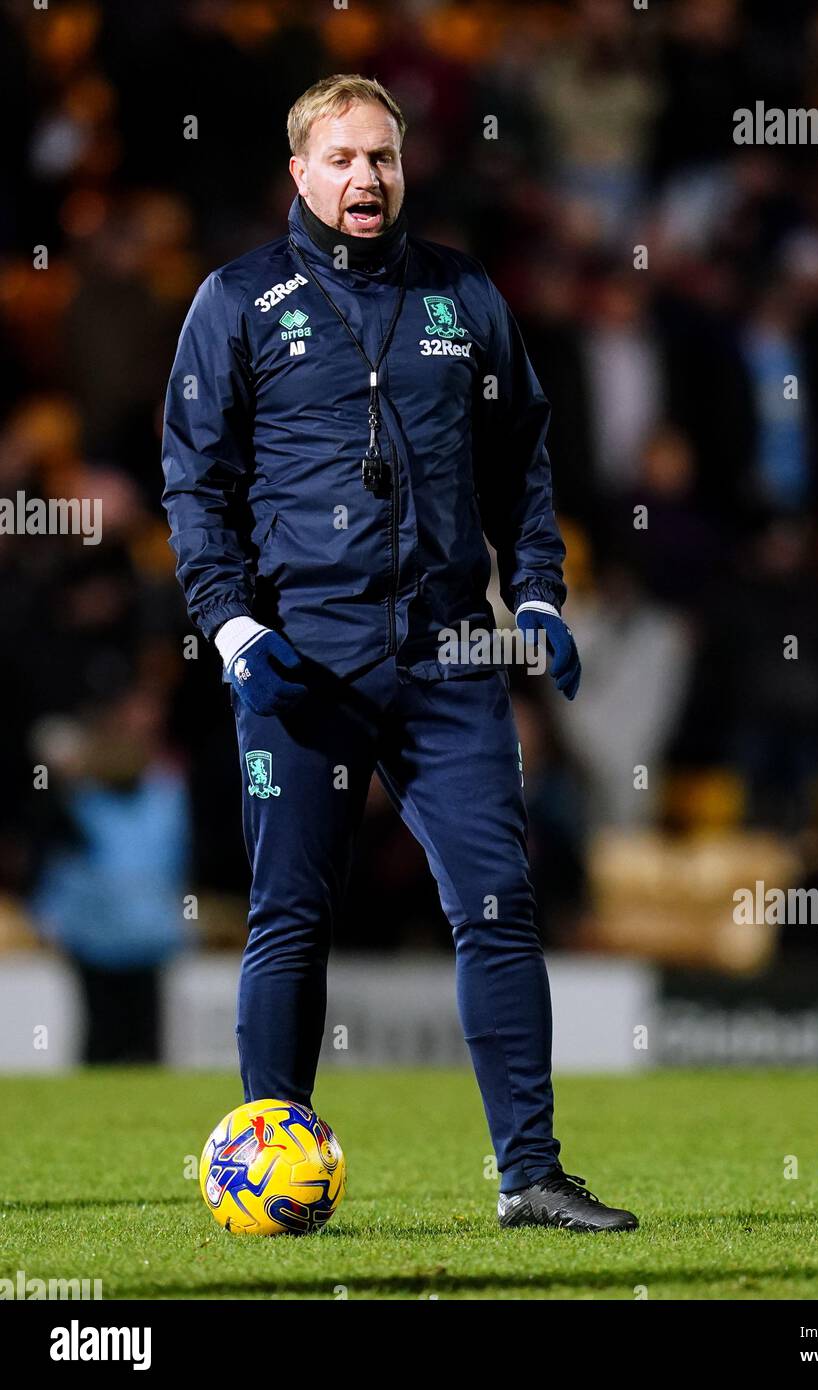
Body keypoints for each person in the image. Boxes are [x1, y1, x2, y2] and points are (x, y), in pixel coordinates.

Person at [162, 74, 636, 1232]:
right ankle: (264, 1176)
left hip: (445, 654)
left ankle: (528, 1175)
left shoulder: (462, 293)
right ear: (300, 173)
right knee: (290, 914)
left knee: (497, 902)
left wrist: (534, 592)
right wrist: (232, 625)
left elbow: (521, 455)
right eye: (341, 159)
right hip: (300, 662)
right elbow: (195, 480)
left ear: (403, 166)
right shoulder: (236, 300)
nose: (364, 178)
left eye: (381, 157)